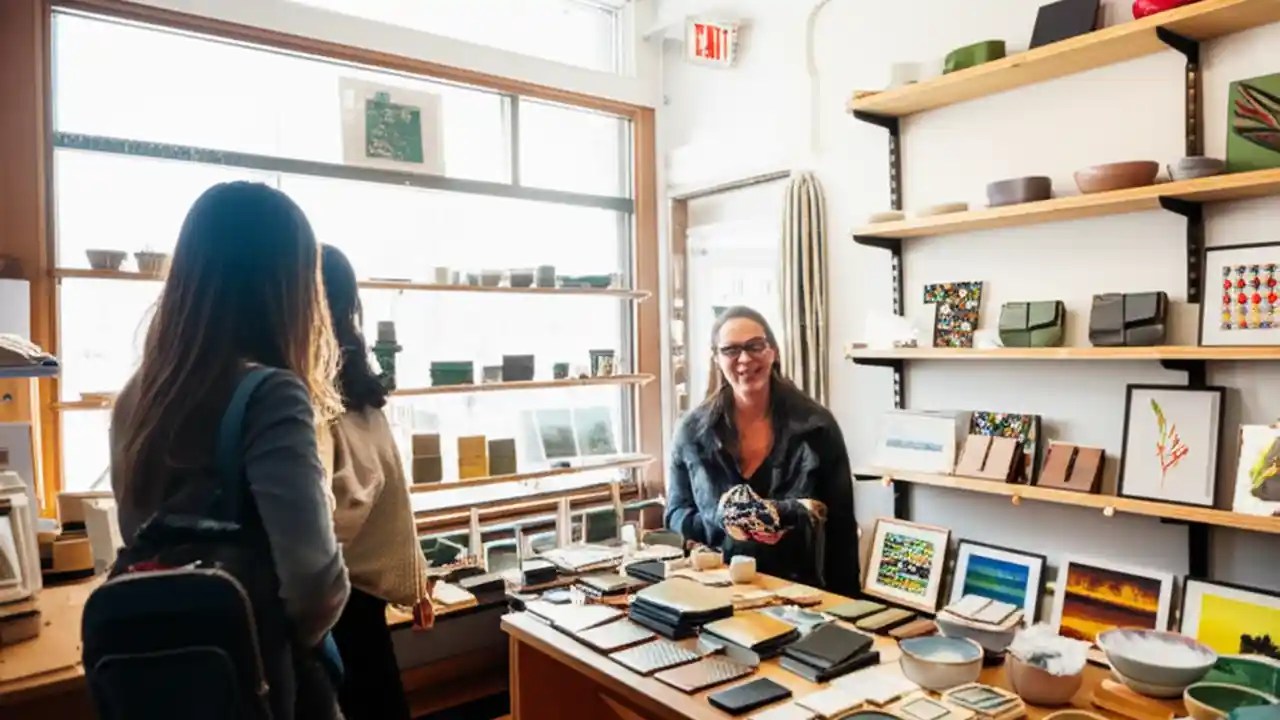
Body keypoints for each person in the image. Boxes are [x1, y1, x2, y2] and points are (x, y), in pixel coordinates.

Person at [110, 181, 350, 718]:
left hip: (160, 683)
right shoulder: (271, 394)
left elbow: (138, 538)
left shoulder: (136, 398)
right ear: (287, 287)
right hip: (255, 684)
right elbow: (314, 581)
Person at [664, 306, 859, 596]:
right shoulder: (692, 431)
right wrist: (723, 522)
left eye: (755, 346)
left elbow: (841, 528)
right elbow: (675, 514)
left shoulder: (817, 428)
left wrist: (848, 610)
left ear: (773, 352)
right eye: (731, 350)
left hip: (799, 597)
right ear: (717, 359)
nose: (744, 359)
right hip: (717, 591)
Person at [320, 244, 431, 720]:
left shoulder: (326, 395)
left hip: (341, 605)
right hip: (351, 604)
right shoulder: (355, 390)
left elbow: (348, 507)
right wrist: (415, 575)